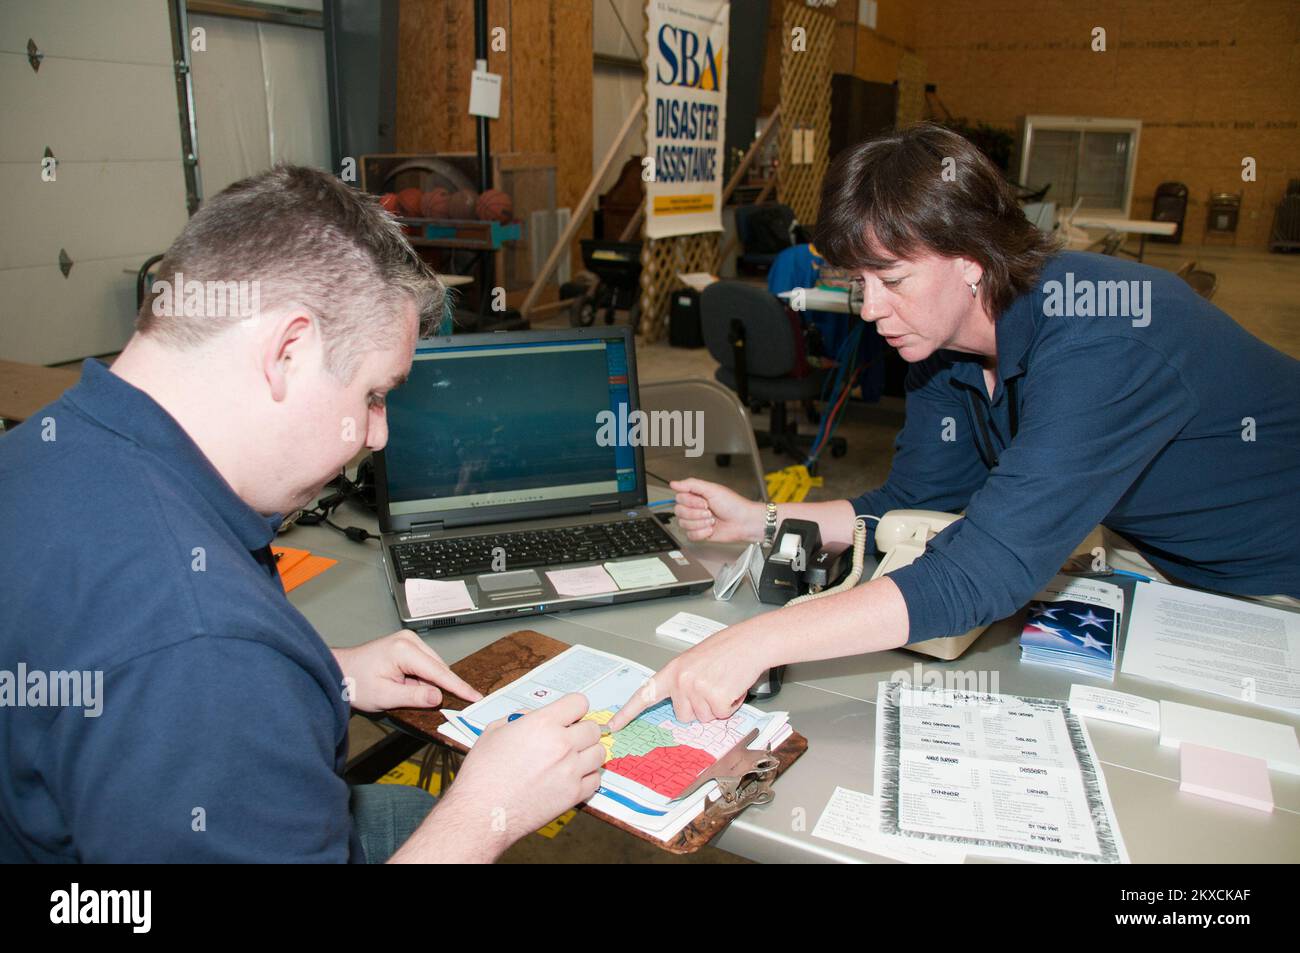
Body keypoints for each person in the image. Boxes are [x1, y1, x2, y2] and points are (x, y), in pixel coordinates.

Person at [0, 166, 604, 862]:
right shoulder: (208, 651)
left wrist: (325, 672)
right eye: (375, 395)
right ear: (287, 352)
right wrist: (488, 809)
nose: (377, 435)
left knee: (403, 808)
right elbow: (193, 669)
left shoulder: (39, 450)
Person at [610, 123, 1300, 731]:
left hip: (1276, 582)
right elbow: (908, 509)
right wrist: (760, 519)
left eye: (893, 279)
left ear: (971, 257)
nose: (871, 308)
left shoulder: (1105, 335)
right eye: (859, 281)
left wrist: (760, 639)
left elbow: (986, 569)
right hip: (1177, 566)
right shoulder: (941, 349)